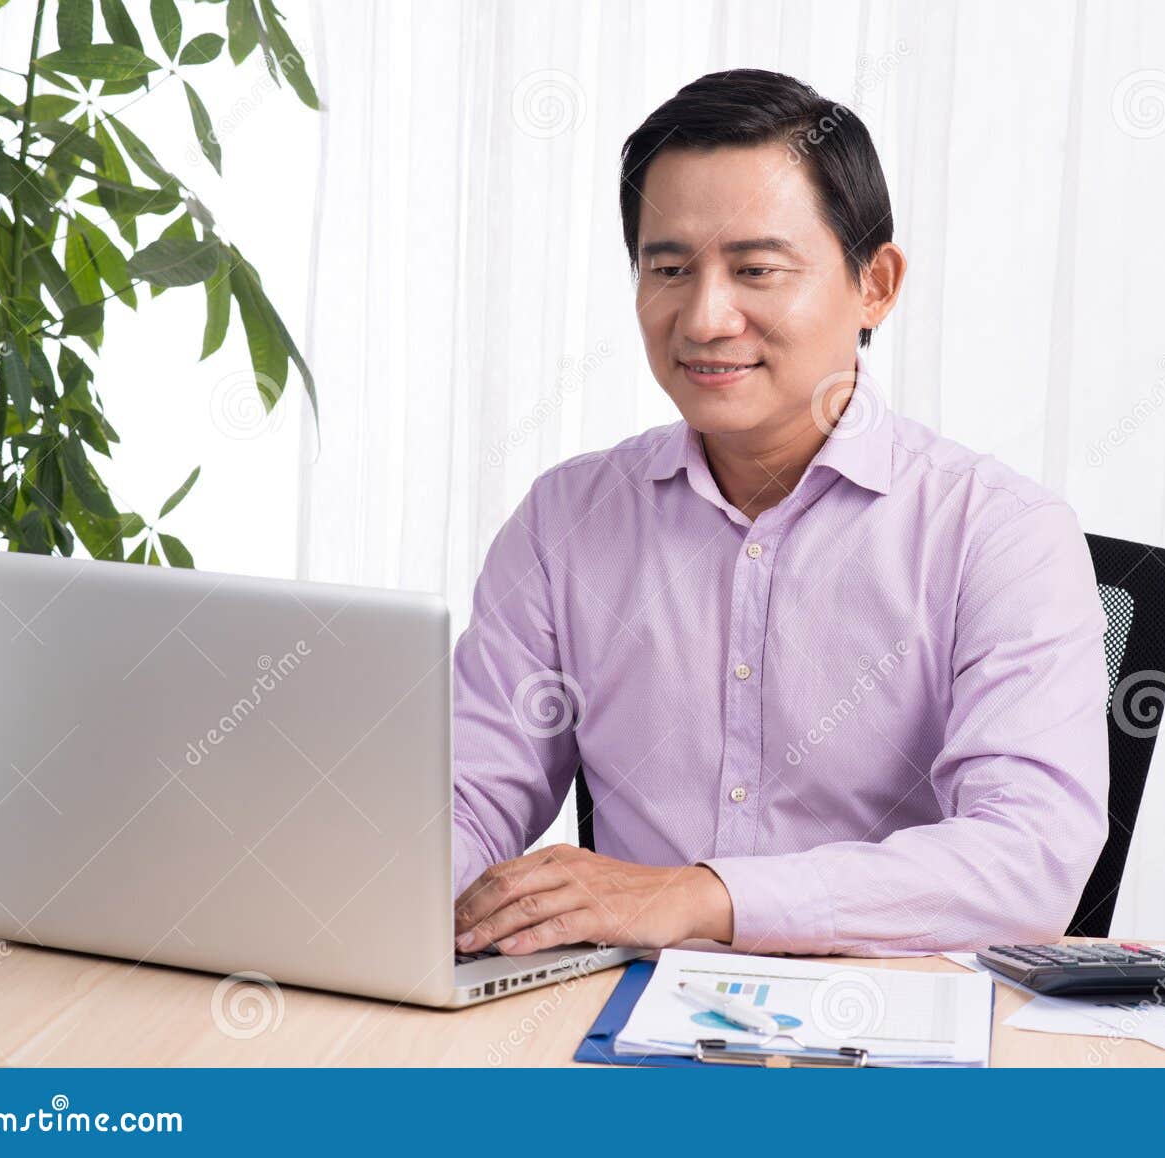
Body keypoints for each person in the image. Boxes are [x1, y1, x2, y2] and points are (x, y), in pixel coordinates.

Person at [451, 69, 1110, 957]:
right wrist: (383, 889)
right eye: (669, 268)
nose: (706, 317)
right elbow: (465, 797)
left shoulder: (1002, 534)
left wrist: (705, 898)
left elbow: (1026, 861)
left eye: (756, 270)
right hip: (615, 1032)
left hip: (890, 1044)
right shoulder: (566, 518)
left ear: (875, 284)